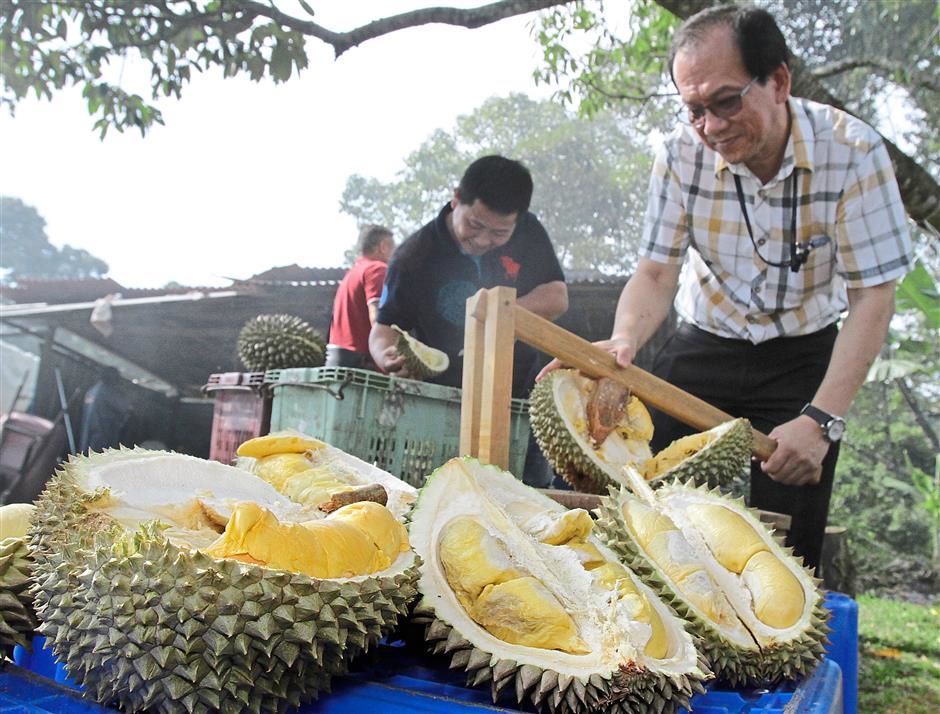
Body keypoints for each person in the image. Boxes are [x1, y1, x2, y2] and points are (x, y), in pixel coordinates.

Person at [544, 5, 913, 571]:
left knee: (788, 546)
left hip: (803, 355)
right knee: (617, 476)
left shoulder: (853, 153)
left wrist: (821, 420)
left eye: (725, 101)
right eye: (695, 110)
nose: (712, 127)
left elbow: (873, 298)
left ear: (779, 82)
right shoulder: (679, 155)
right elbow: (656, 271)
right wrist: (622, 344)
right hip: (705, 342)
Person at [370, 155, 568, 486]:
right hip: (446, 407)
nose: (482, 239)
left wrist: (502, 314)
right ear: (456, 198)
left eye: (499, 233)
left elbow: (556, 296)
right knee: (447, 491)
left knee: (528, 494)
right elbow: (384, 327)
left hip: (522, 400)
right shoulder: (414, 256)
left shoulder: (529, 232)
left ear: (517, 220)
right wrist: (385, 354)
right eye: (475, 225)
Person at [326, 224, 395, 369]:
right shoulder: (377, 269)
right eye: (393, 247)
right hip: (361, 367)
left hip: (337, 362)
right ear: (383, 247)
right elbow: (376, 316)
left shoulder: (353, 273)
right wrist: (388, 357)